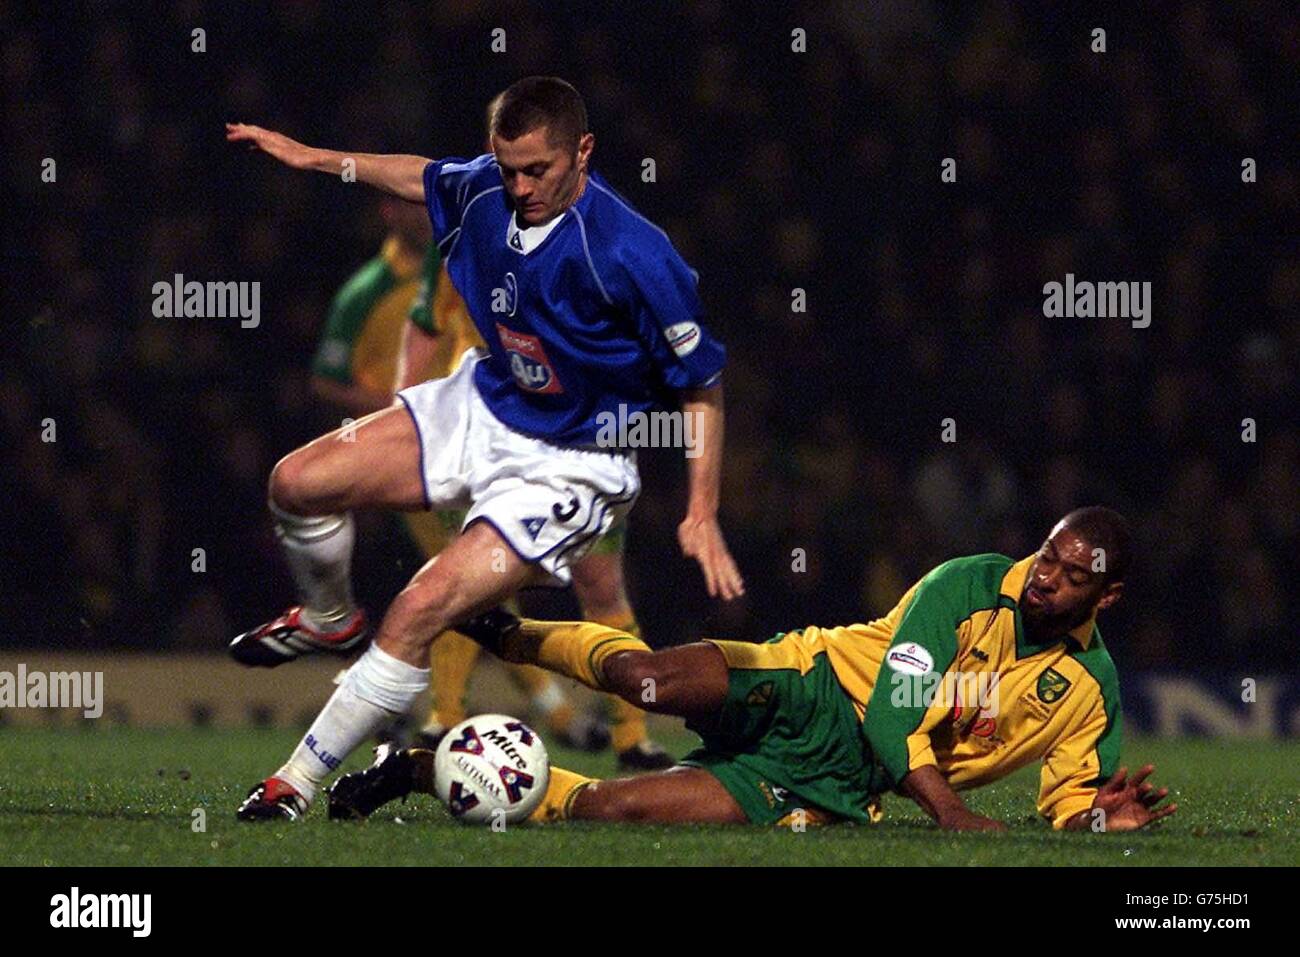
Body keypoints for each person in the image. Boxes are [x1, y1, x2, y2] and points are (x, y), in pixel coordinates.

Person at [224, 75, 743, 820]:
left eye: (539, 169)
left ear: (583, 152)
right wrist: (310, 159)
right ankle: (330, 615)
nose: (521, 186)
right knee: (296, 482)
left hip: (572, 464)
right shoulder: (484, 191)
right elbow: (417, 173)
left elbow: (703, 383)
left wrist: (701, 507)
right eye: (508, 169)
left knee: (419, 606)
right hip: (482, 403)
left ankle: (292, 782)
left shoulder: (634, 252)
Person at [332, 507, 1177, 833]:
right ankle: (506, 633)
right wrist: (953, 815)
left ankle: (416, 767)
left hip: (831, 783)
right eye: (1047, 555)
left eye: (1071, 575)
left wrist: (1099, 820)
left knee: (611, 807)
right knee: (643, 680)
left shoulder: (1089, 691)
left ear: (1109, 595)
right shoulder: (966, 584)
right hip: (805, 680)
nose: (1046, 575)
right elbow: (893, 714)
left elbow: (1067, 800)